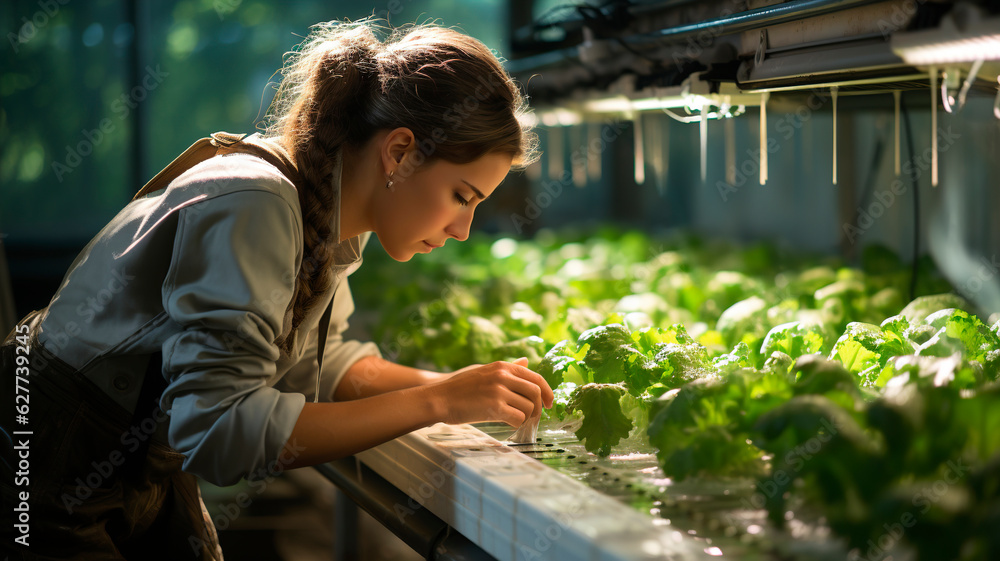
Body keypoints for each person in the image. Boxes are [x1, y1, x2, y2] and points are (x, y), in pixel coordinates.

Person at [0, 19, 552, 560]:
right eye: (462, 195)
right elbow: (219, 432)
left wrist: (466, 392)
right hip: (42, 460)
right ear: (401, 151)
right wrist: (436, 401)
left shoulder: (326, 212)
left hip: (137, 464)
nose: (463, 230)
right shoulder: (256, 202)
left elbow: (328, 364)